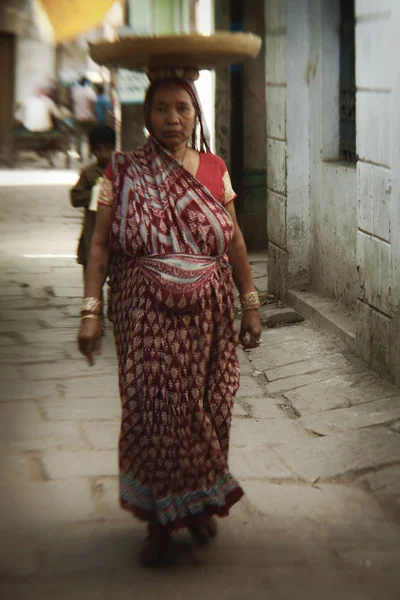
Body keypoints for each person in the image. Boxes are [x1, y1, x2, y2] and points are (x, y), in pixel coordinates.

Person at [77, 71, 261, 567]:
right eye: (162, 108)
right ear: (146, 115)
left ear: (195, 112)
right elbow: (98, 244)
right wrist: (90, 311)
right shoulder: (121, 171)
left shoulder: (214, 168)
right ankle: (160, 521)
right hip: (143, 315)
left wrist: (250, 303)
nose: (173, 118)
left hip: (210, 315)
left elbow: (236, 240)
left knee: (207, 408)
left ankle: (198, 501)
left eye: (182, 107)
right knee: (155, 411)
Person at [70, 125, 116, 325]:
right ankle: (93, 313)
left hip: (116, 232)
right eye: (97, 149)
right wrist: (96, 193)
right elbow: (75, 197)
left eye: (106, 148)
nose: (102, 153)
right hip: (92, 233)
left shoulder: (120, 170)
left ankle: (116, 312)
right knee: (93, 274)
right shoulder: (88, 173)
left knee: (118, 277)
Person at [71, 76, 97, 160]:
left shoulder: (75, 91)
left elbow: (73, 103)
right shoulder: (89, 91)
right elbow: (92, 104)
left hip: (78, 117)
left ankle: (79, 154)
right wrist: (94, 115)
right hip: (89, 117)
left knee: (79, 137)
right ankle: (90, 154)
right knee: (90, 136)